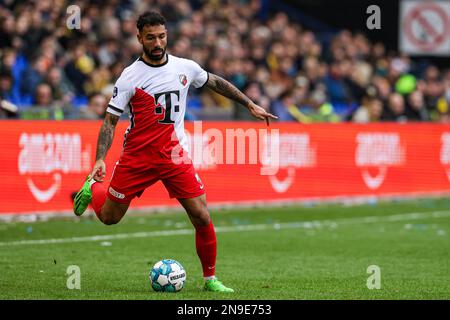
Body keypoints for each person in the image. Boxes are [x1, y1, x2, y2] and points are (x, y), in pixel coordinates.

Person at [73, 11, 277, 293]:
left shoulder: (185, 67)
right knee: (109, 217)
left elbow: (215, 82)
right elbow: (110, 120)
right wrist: (99, 159)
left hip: (174, 156)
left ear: (166, 35)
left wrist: (249, 104)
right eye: (150, 38)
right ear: (139, 38)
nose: (157, 43)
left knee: (201, 215)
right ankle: (93, 187)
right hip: (138, 157)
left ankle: (210, 280)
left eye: (161, 36)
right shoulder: (130, 76)